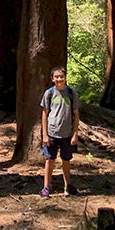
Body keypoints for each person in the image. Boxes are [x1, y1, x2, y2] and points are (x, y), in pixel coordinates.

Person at [39, 66, 80, 197]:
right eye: (56, 77)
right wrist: (44, 134)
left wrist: (75, 133)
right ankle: (46, 187)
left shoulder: (71, 93)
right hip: (51, 133)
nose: (59, 79)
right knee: (49, 159)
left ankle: (67, 186)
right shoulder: (49, 93)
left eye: (61, 76)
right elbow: (44, 114)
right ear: (52, 79)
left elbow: (76, 114)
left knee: (66, 159)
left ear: (65, 77)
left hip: (67, 134)